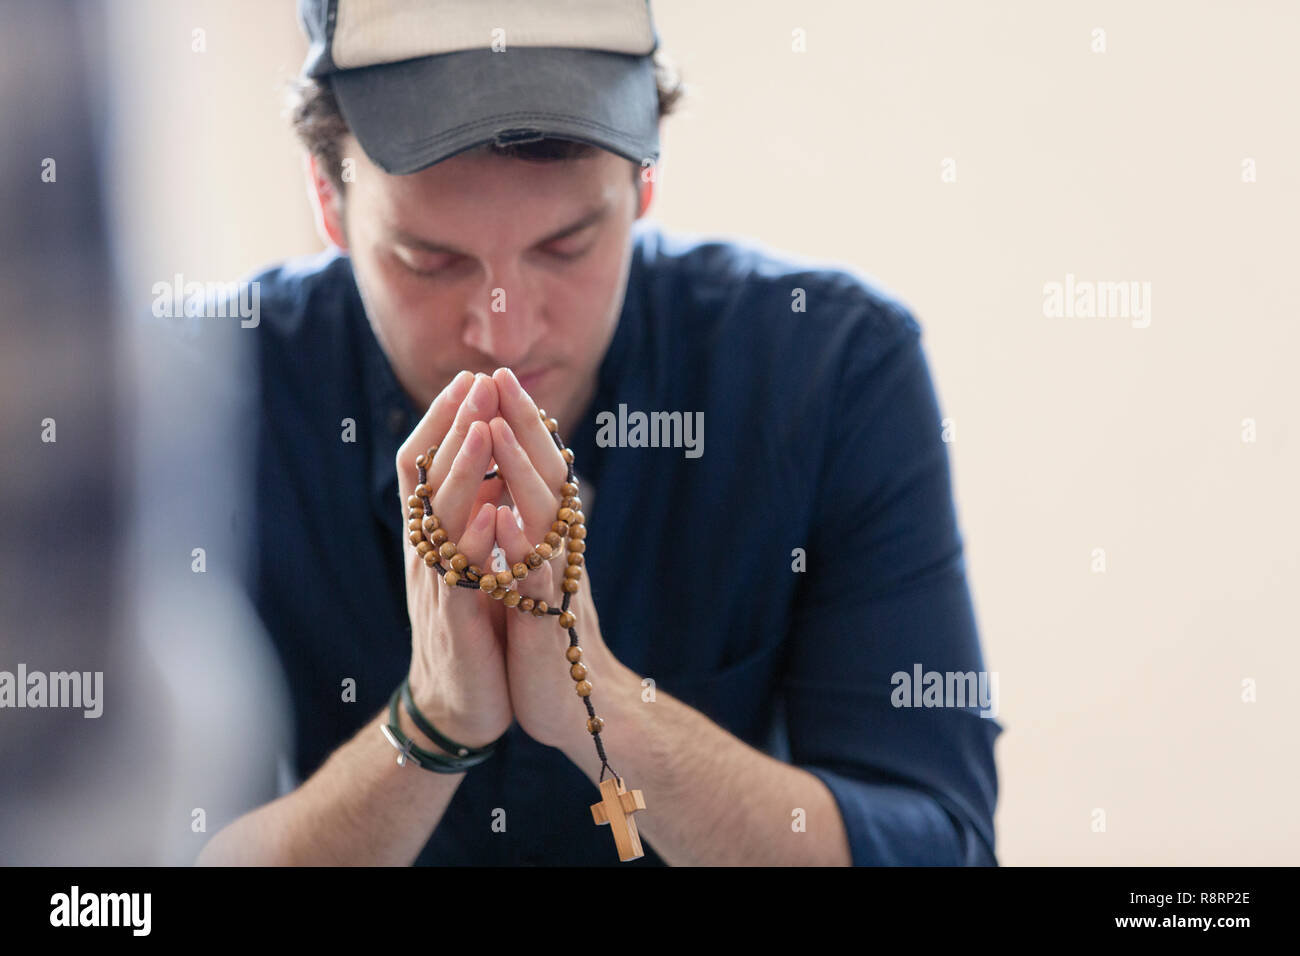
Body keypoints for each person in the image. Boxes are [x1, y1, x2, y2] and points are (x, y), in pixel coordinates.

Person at [197, 0, 1002, 866]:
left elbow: (940, 844)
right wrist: (426, 730)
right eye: (429, 260)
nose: (504, 335)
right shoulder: (196, 398)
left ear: (645, 178)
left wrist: (606, 707)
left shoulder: (832, 370)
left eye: (567, 246)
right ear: (327, 196)